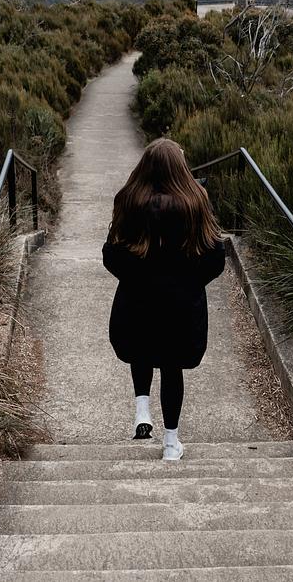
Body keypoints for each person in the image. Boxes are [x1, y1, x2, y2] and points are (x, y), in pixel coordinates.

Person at [102, 137, 226, 461]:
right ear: (179, 168)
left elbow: (110, 254)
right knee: (172, 368)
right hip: (181, 308)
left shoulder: (129, 200)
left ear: (145, 167)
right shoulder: (196, 202)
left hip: (137, 300)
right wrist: (190, 283)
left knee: (141, 351)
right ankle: (171, 444)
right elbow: (216, 258)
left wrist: (136, 278)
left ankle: (142, 411)